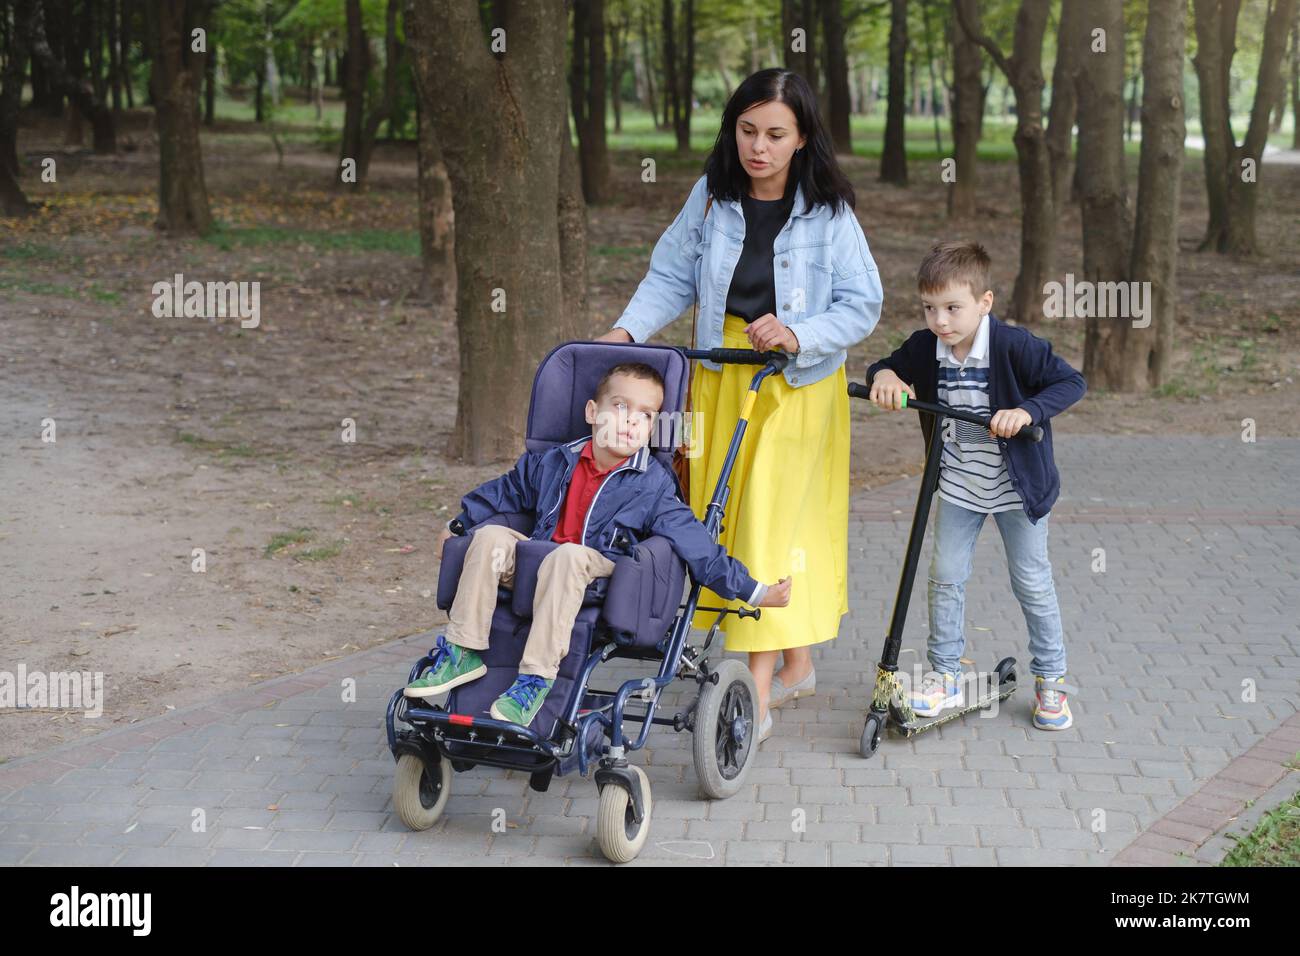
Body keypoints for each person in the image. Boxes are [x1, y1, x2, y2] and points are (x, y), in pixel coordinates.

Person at [594, 68, 883, 743]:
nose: (758, 147)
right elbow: (669, 274)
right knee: (718, 515)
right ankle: (797, 663)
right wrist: (625, 332)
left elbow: (863, 304)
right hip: (723, 375)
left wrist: (799, 331)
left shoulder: (830, 214)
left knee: (767, 528)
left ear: (803, 137)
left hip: (796, 386)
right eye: (747, 131)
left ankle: (749, 691)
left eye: (775, 134)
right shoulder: (712, 197)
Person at [406, 361, 791, 728]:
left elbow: (697, 545)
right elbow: (502, 494)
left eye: (645, 415)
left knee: (568, 556)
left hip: (600, 573)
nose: (630, 422)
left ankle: (536, 680)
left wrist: (754, 591)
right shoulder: (555, 460)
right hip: (537, 561)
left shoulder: (652, 484)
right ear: (593, 411)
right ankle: (462, 651)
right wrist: (458, 524)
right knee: (489, 537)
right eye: (620, 407)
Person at [865, 241, 1086, 730]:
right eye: (929, 309)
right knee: (945, 576)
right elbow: (884, 366)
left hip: (1017, 489)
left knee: (1030, 581)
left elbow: (1070, 382)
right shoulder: (928, 347)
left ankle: (1051, 681)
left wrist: (1027, 410)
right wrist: (886, 377)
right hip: (960, 486)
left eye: (952, 308)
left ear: (984, 303)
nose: (940, 321)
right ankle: (944, 674)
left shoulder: (1012, 345)